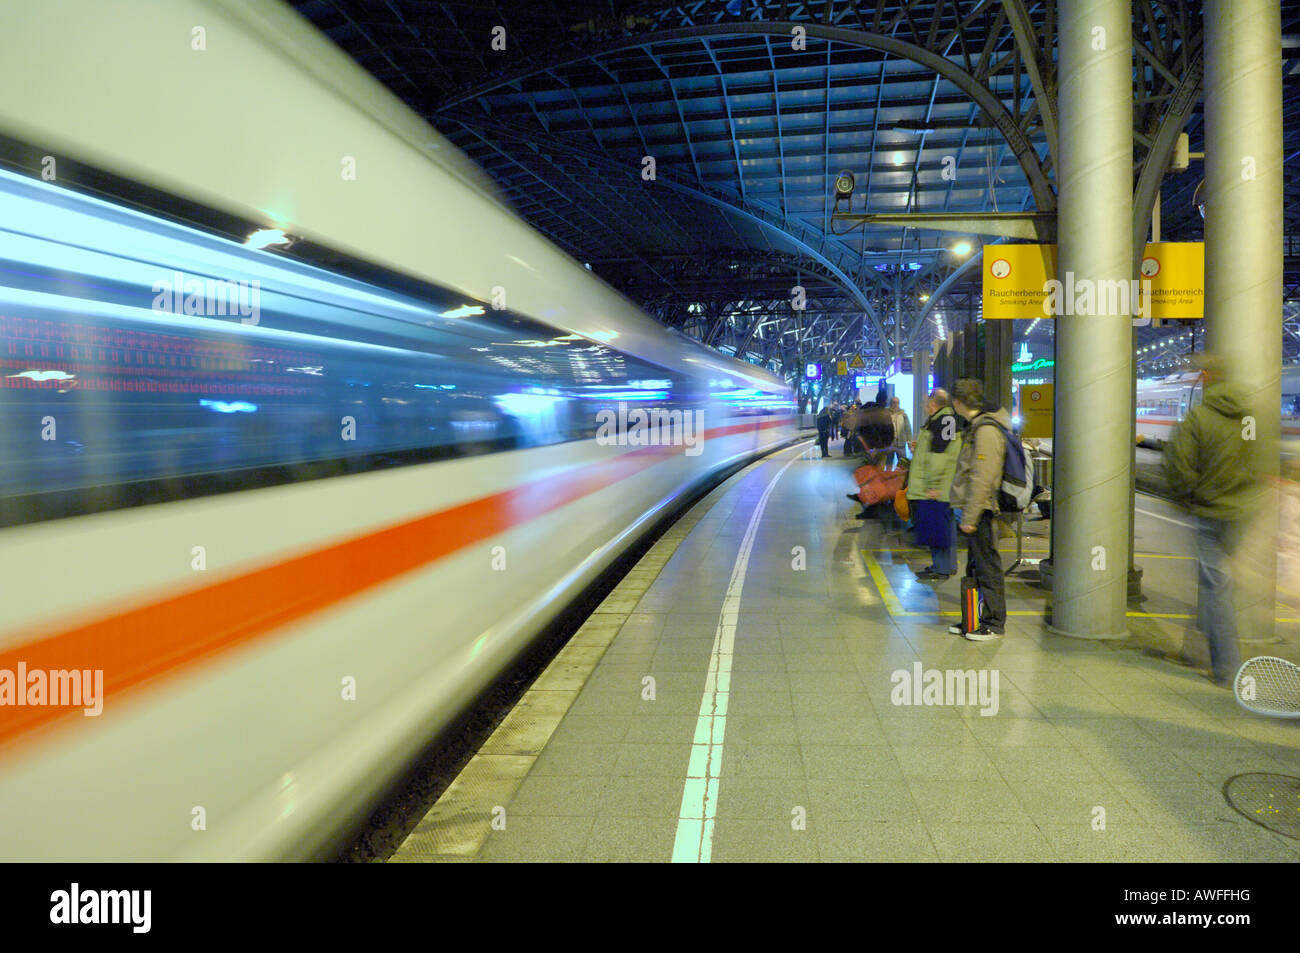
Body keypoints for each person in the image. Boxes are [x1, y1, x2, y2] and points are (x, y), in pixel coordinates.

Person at [1163, 353, 1259, 687]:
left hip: (1210, 512)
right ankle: (1193, 650)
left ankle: (1227, 668)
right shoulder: (1250, 417)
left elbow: (1179, 466)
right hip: (1243, 512)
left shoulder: (1200, 418)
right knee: (1214, 581)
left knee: (1215, 587)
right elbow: (1261, 460)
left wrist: (1186, 498)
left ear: (1209, 377)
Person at [947, 378, 1010, 640]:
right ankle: (972, 619)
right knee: (974, 567)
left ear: (958, 402)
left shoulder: (985, 431)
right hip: (974, 508)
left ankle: (994, 623)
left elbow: (982, 477)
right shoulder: (975, 427)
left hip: (982, 509)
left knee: (988, 567)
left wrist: (970, 516)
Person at [908, 389, 962, 580]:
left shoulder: (941, 422)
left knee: (938, 529)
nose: (924, 406)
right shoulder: (945, 420)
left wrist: (933, 485)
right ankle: (946, 566)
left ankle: (941, 568)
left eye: (926, 402)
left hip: (936, 488)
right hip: (943, 485)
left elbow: (938, 459)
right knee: (944, 528)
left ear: (933, 403)